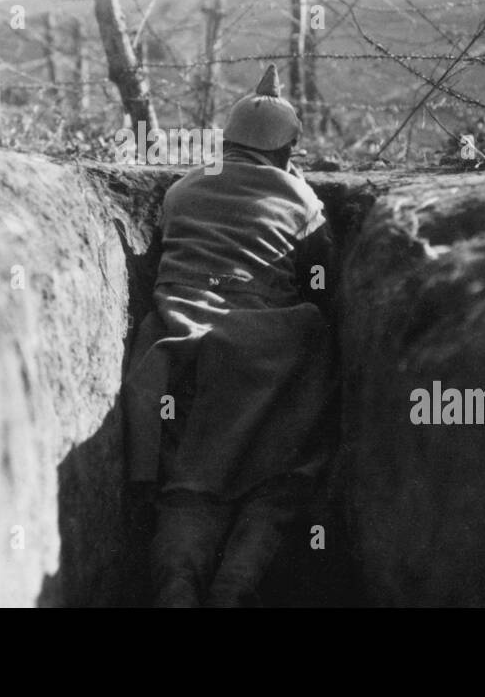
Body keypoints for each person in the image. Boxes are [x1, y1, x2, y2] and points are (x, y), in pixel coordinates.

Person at [122, 63, 338, 608]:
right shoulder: (301, 201)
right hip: (264, 346)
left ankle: (176, 591)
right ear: (287, 151)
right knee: (282, 476)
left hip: (174, 339)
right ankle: (235, 588)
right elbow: (322, 279)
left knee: (188, 491)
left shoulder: (182, 188)